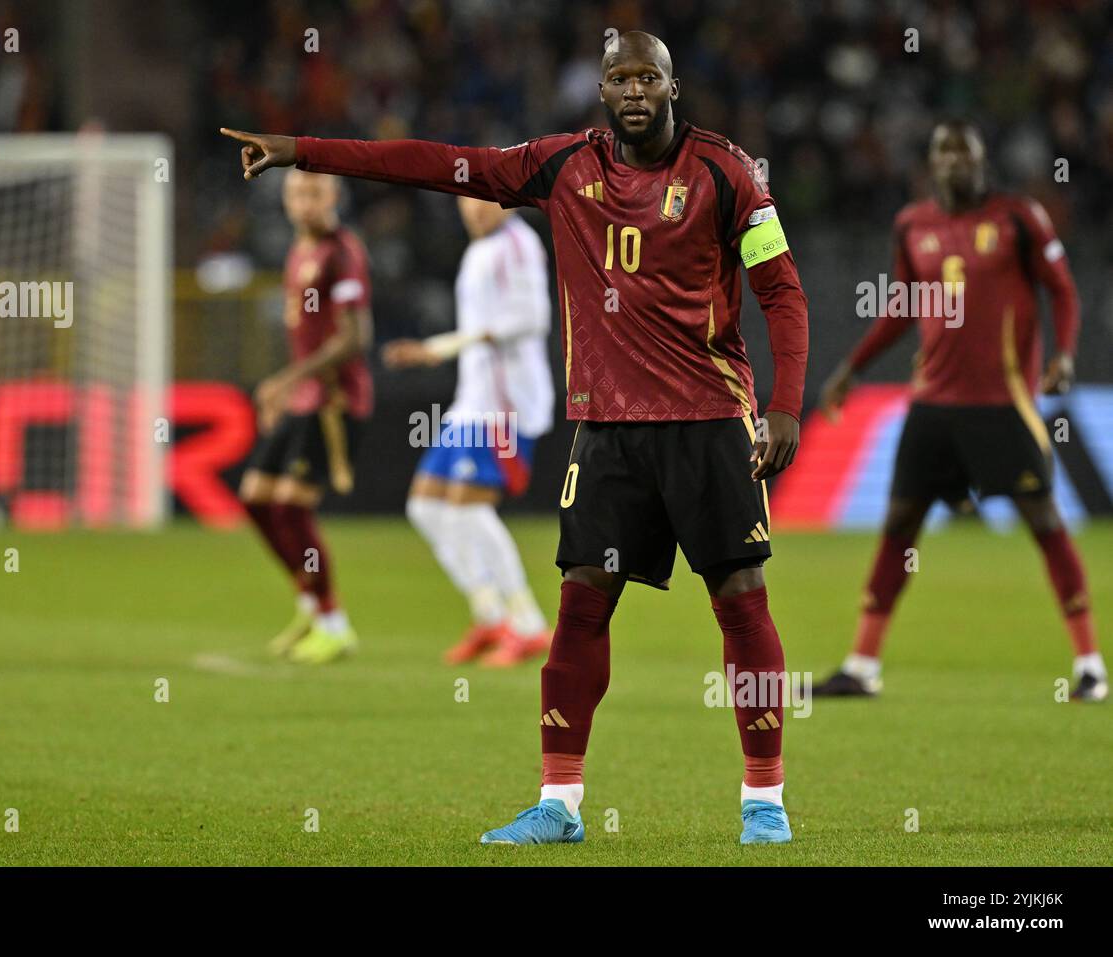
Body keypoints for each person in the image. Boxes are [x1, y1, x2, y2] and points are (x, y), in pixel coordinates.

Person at [222, 29, 809, 844]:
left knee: (741, 604)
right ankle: (560, 803)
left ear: (673, 88)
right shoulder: (563, 165)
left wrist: (784, 406)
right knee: (579, 609)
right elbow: (432, 162)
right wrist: (301, 152)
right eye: (619, 77)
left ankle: (765, 801)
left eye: (649, 77)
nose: (634, 90)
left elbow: (782, 292)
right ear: (603, 91)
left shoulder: (727, 171)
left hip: (710, 422)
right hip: (607, 430)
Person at [815, 120, 1105, 702]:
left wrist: (1066, 355)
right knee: (899, 525)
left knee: (1046, 524)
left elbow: (1064, 290)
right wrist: (853, 367)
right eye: (943, 152)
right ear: (930, 163)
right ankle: (862, 665)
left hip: (1002, 405)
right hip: (932, 407)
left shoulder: (1018, 218)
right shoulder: (912, 224)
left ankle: (1091, 666)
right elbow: (902, 306)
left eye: (964, 152)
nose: (954, 162)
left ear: (981, 160)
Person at [383, 196, 556, 667]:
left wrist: (438, 347)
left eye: (485, 200)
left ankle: (529, 625)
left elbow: (533, 318)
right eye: (467, 200)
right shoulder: (479, 249)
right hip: (472, 402)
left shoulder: (518, 244)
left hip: (505, 405)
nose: (475, 210)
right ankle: (490, 614)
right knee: (425, 506)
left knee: (467, 509)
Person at [239, 169, 373, 665]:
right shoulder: (298, 252)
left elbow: (356, 338)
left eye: (314, 192)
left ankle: (334, 624)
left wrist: (288, 379)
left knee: (292, 505)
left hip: (336, 403)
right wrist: (288, 386)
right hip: (303, 399)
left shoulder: (343, 252)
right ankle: (311, 604)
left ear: (334, 195)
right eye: (296, 193)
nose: (304, 202)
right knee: (255, 498)